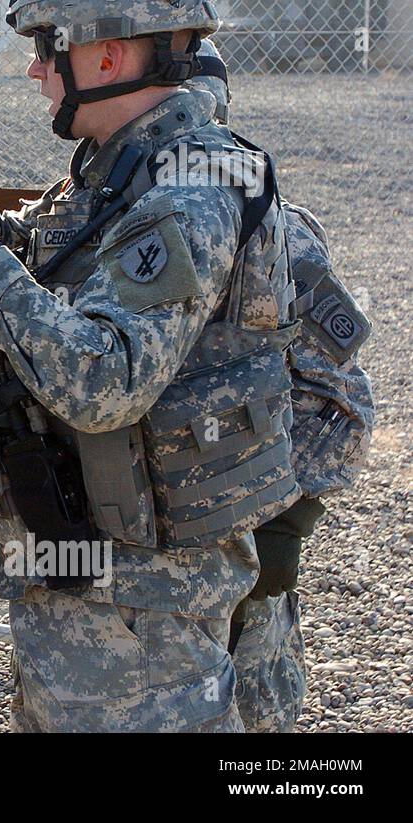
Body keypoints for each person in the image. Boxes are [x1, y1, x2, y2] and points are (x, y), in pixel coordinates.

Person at [0, 0, 299, 732]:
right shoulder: (119, 166)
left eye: (45, 45)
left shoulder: (194, 180)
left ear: (105, 53)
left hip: (142, 621)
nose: (34, 68)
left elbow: (104, 381)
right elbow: (69, 288)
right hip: (88, 589)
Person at [190, 41, 375, 732]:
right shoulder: (99, 229)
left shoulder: (277, 235)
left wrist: (271, 530)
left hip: (243, 583)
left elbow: (345, 408)